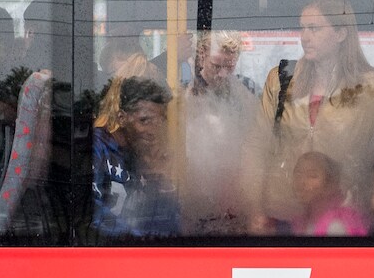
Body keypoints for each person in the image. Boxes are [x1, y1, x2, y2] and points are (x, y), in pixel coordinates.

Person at [258, 0, 374, 226]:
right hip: (283, 214)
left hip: (343, 215)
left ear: (341, 34)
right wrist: (254, 208)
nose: (304, 37)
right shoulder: (281, 79)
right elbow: (256, 147)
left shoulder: (372, 86)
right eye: (302, 28)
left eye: (314, 29)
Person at [181, 31, 266, 235]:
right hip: (194, 196)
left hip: (235, 198)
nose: (222, 74)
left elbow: (258, 142)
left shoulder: (248, 91)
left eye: (230, 67)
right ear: (201, 55)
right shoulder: (184, 93)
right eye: (216, 66)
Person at [91, 76, 178, 237]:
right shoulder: (98, 147)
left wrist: (159, 180)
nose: (153, 130)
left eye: (160, 122)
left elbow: (168, 220)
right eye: (145, 121)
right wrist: (140, 237)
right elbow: (91, 215)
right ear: (122, 118)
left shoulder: (140, 153)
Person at [290, 151, 366, 236]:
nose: (301, 181)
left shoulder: (336, 226)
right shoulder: (304, 220)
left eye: (312, 175)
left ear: (330, 184)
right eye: (298, 173)